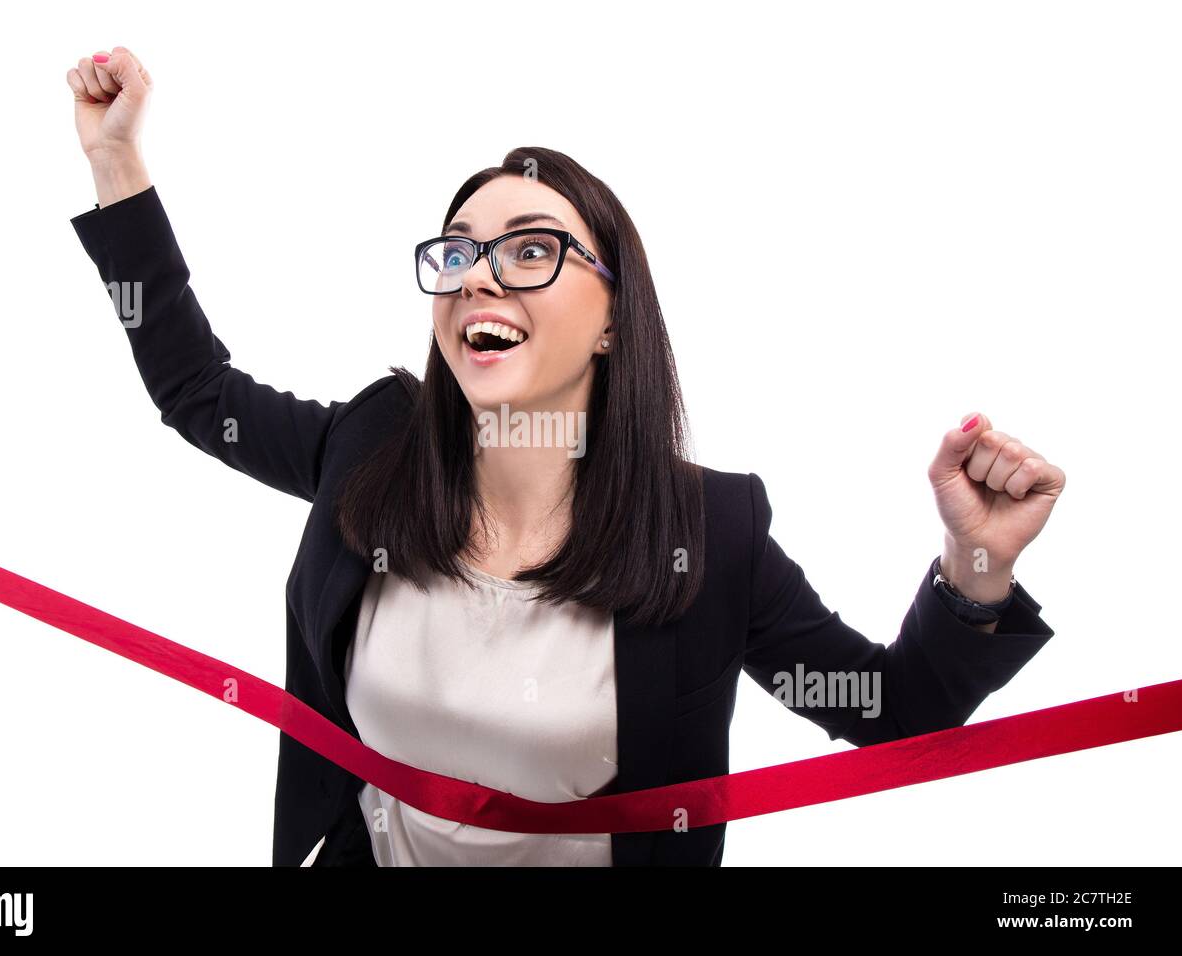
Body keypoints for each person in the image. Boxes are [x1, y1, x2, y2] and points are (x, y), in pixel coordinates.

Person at [65, 48, 1066, 867]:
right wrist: (116, 167)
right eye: (456, 253)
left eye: (531, 250)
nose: (478, 279)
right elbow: (196, 393)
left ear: (611, 318)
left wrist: (977, 568)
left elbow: (887, 713)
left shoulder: (707, 535)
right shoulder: (370, 446)